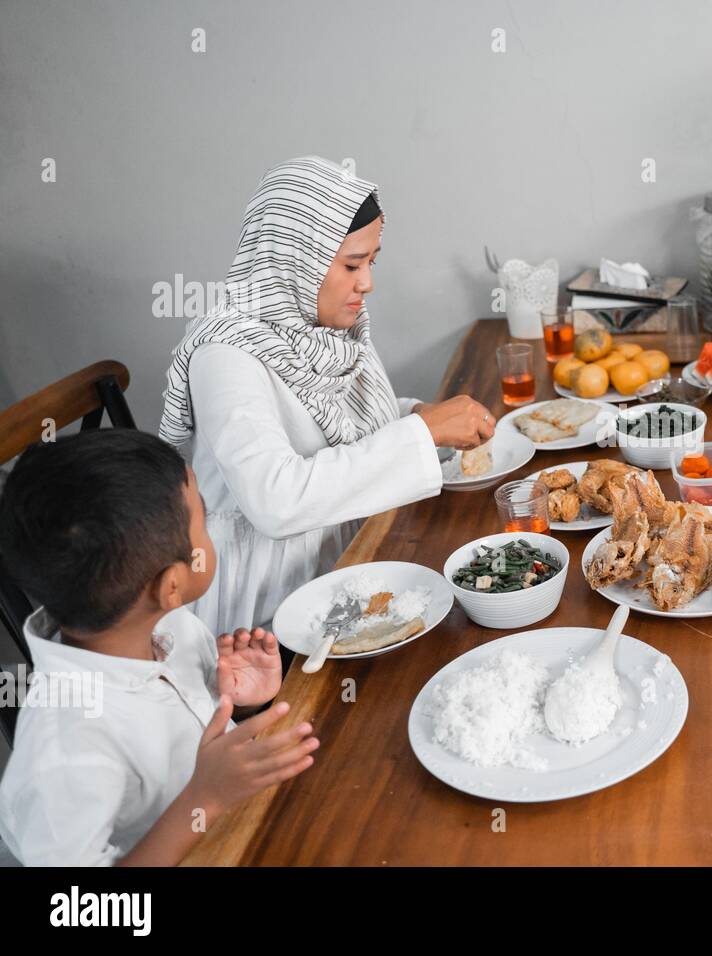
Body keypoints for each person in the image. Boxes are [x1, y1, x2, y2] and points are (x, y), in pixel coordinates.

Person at [159, 156, 494, 635]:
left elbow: (342, 427)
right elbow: (276, 500)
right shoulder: (225, 354)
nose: (367, 283)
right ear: (296, 257)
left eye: (372, 261)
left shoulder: (328, 327)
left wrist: (418, 414)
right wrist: (421, 433)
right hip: (264, 608)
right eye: (352, 264)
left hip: (351, 558)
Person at [0, 429, 317, 865]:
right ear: (171, 584)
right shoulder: (66, 749)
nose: (212, 529)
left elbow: (196, 736)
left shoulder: (170, 627)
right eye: (204, 522)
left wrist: (237, 706)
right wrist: (204, 800)